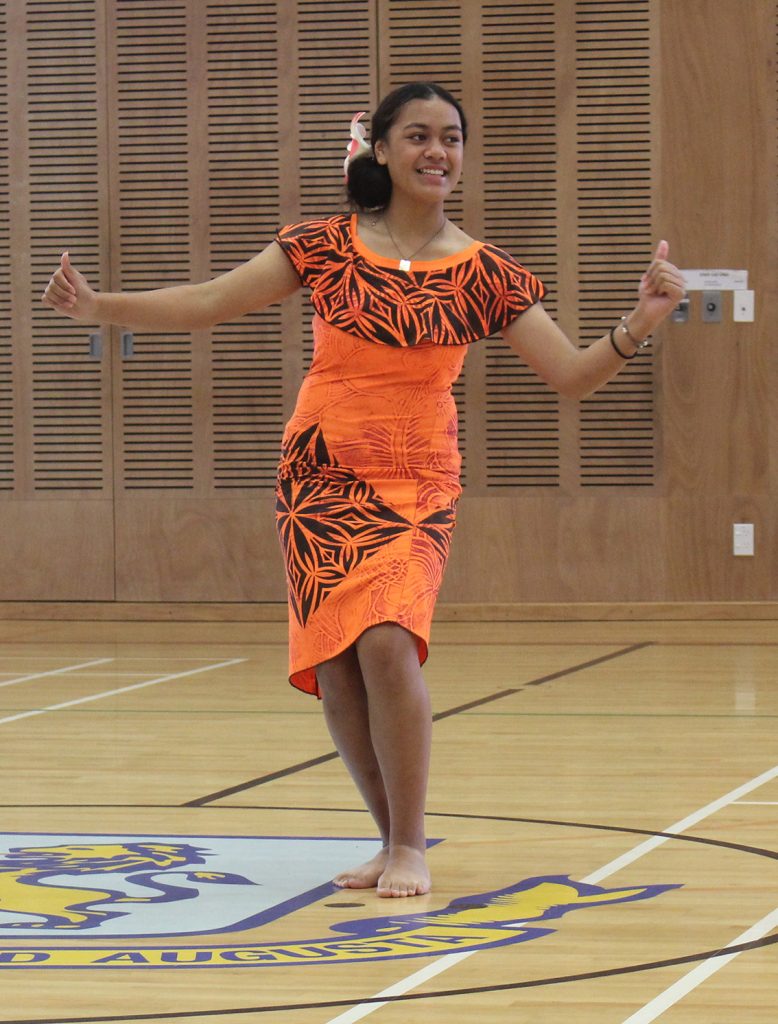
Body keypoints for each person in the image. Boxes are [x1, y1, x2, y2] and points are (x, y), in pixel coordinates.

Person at [42, 82, 686, 899]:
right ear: (378, 148)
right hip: (317, 477)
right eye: (418, 136)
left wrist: (644, 319)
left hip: (417, 481)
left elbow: (570, 375)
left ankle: (412, 845)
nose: (437, 153)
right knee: (338, 667)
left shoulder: (487, 273)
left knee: (386, 641)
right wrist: (100, 306)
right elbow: (207, 301)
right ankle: (387, 840)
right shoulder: (324, 245)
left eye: (451, 138)